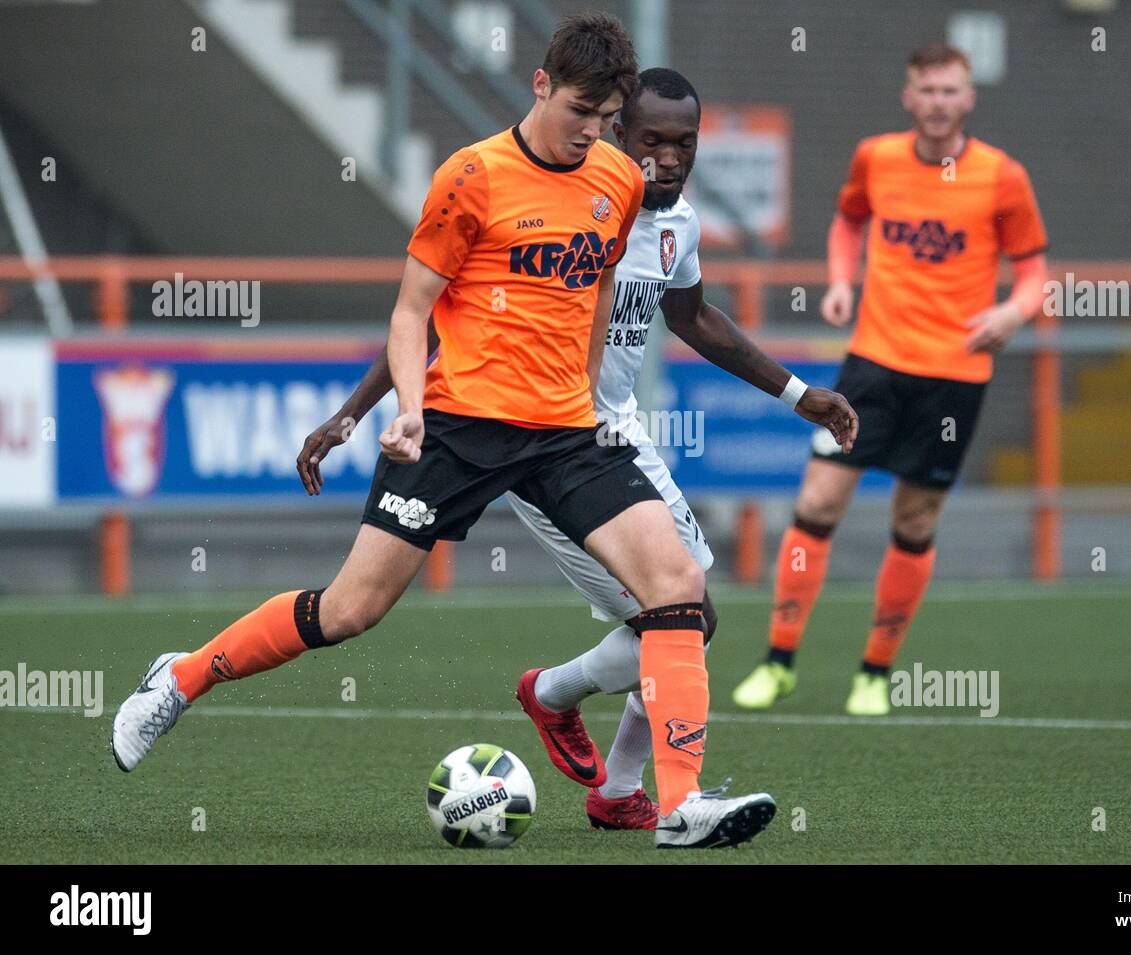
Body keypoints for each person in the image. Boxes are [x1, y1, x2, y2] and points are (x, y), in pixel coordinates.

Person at [111, 14, 850, 849]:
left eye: (606, 120)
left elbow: (604, 286)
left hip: (568, 432)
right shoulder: (473, 177)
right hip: (459, 426)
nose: (592, 134)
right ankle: (178, 678)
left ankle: (674, 804)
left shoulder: (616, 180)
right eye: (579, 112)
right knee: (351, 609)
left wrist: (580, 386)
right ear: (540, 86)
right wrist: (403, 411)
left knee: (678, 585)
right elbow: (411, 311)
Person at [297, 68, 858, 833]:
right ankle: (592, 733)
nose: (666, 158)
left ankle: (604, 767)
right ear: (616, 137)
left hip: (616, 434)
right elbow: (435, 315)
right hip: (546, 438)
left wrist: (799, 395)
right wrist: (354, 412)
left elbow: (694, 318)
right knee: (678, 613)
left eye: (683, 143)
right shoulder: (576, 204)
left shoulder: (676, 222)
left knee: (689, 613)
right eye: (649, 140)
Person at [732, 43, 1049, 717]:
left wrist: (1013, 312)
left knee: (914, 519)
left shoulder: (1002, 176)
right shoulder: (875, 157)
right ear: (909, 97)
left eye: (950, 90)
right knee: (817, 503)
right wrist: (843, 283)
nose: (938, 102)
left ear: (969, 98)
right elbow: (848, 220)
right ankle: (778, 660)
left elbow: (1034, 271)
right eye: (926, 90)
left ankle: (875, 671)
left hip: (955, 374)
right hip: (873, 363)